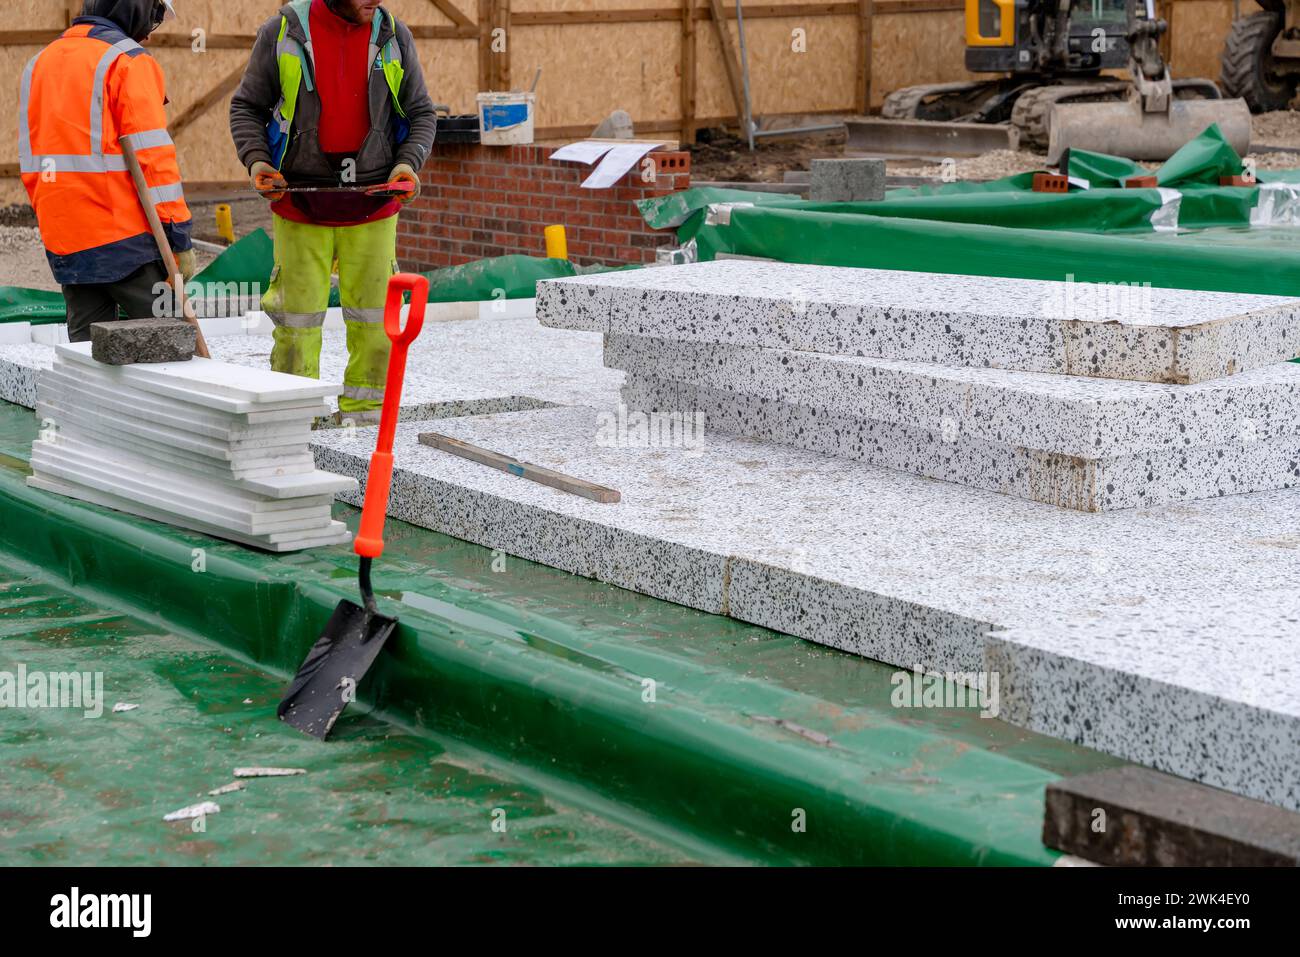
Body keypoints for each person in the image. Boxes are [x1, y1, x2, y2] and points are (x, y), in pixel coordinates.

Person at [230, 0, 435, 421]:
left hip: (373, 205)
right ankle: (294, 421)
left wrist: (406, 164)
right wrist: (258, 160)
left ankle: (365, 425)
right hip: (301, 204)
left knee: (378, 326)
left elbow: (421, 114)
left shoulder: (394, 36)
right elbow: (246, 107)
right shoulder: (281, 33)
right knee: (296, 328)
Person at [19, 0, 195, 342]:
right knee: (173, 346)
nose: (150, 32)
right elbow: (153, 163)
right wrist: (179, 236)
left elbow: (34, 162)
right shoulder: (127, 61)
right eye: (154, 16)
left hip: (66, 240)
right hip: (124, 242)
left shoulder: (39, 63)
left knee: (89, 360)